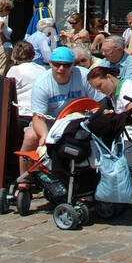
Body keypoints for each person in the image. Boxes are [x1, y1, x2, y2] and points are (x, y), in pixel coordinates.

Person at [18, 47, 100, 185]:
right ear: (50, 63)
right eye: (57, 64)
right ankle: (24, 182)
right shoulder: (42, 83)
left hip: (79, 122)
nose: (61, 68)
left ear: (72, 65)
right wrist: (44, 136)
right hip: (51, 122)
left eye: (66, 65)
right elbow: (38, 117)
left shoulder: (84, 76)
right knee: (30, 136)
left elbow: (98, 104)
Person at [6, 41, 44, 128]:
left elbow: (7, 91)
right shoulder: (42, 69)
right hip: (40, 114)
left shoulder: (15, 70)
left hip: (22, 113)